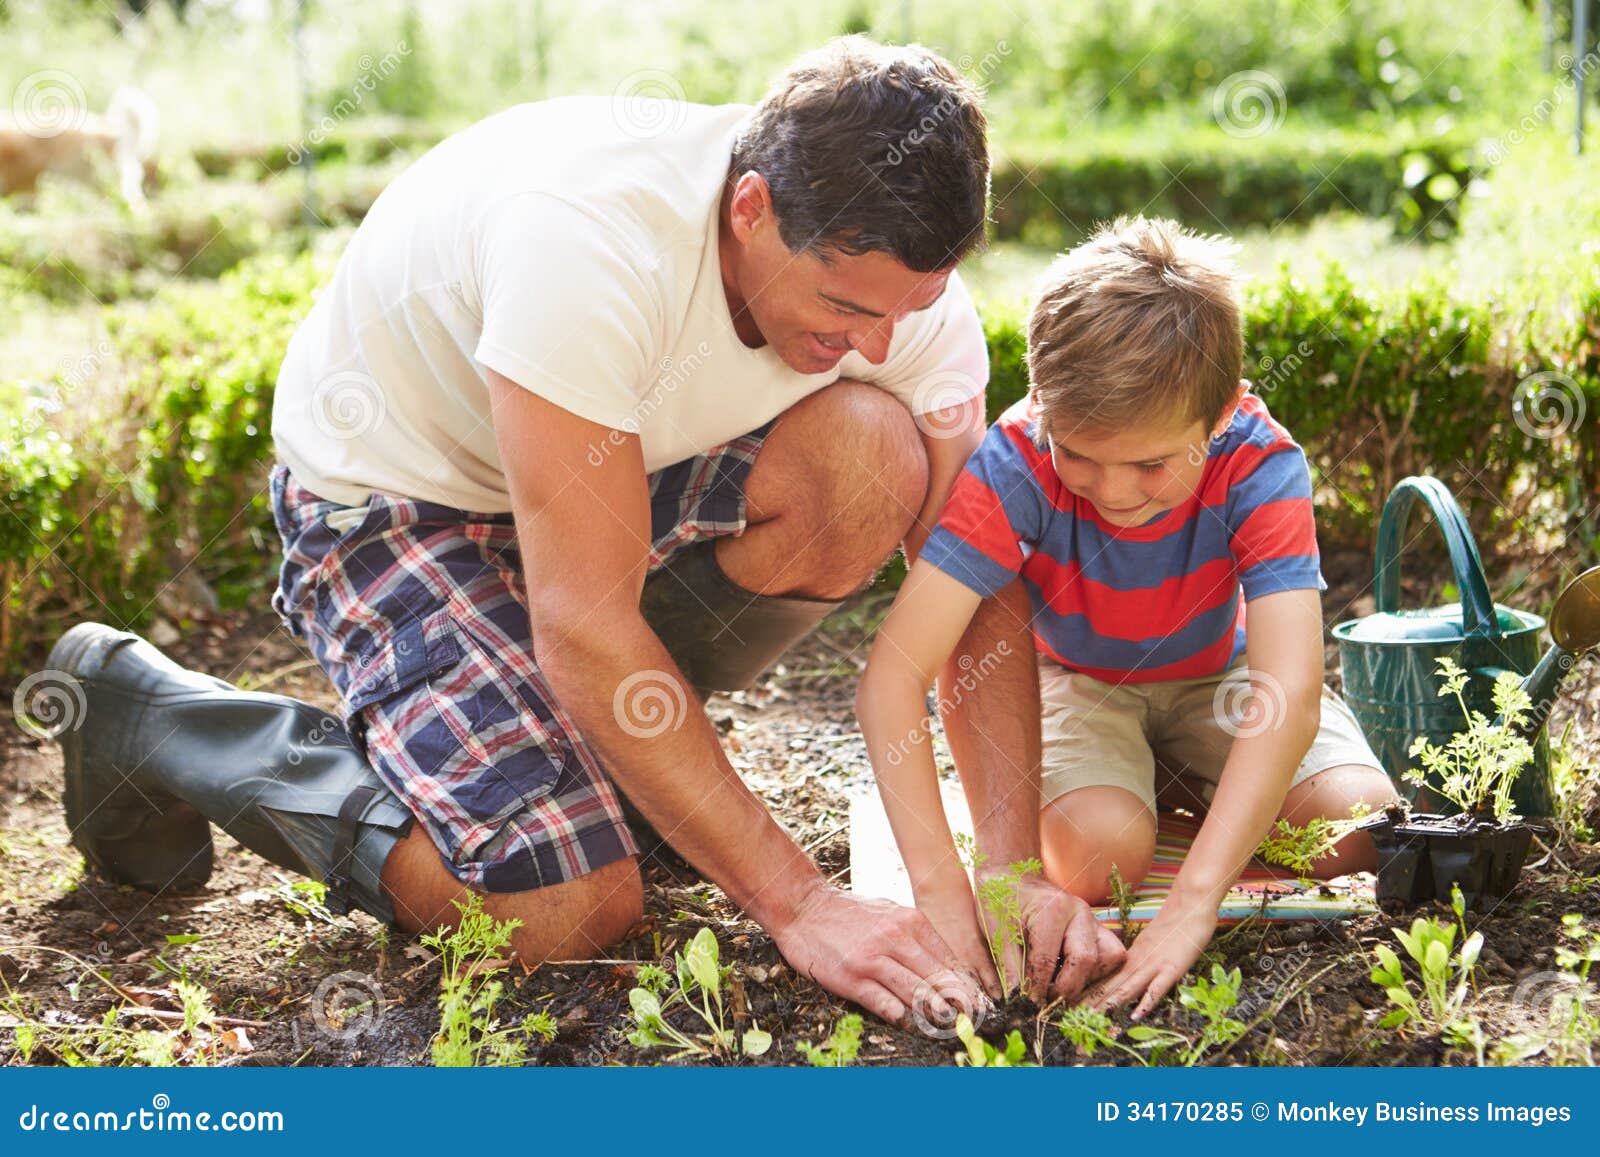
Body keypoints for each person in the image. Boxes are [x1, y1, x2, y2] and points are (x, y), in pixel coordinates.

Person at [51, 37, 1123, 1032]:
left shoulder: (899, 304)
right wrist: (799, 902)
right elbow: (582, 618)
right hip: (396, 506)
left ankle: (589, 761)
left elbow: (976, 590)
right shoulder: (589, 239)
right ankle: (152, 716)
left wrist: (1007, 866)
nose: (881, 340)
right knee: (566, 902)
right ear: (750, 208)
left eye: (911, 305)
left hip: (606, 485)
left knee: (868, 458)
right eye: (846, 306)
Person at [855, 215, 1400, 1017]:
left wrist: (1195, 900)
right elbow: (890, 682)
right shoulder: (1016, 460)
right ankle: (1164, 786)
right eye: (1080, 453)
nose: (1112, 491)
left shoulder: (1259, 459)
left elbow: (1288, 685)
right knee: (1099, 858)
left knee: (1360, 829)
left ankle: (1187, 781)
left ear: (1219, 419)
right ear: (1043, 403)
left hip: (1218, 674)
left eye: (1150, 463)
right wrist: (944, 889)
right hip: (1081, 680)